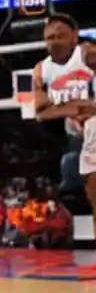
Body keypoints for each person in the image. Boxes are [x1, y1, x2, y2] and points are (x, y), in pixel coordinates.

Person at [32, 13, 96, 208]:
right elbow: (41, 113)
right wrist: (75, 108)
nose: (55, 42)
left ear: (74, 37)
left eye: (61, 36)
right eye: (50, 38)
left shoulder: (86, 53)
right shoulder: (41, 70)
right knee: (69, 166)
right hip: (74, 136)